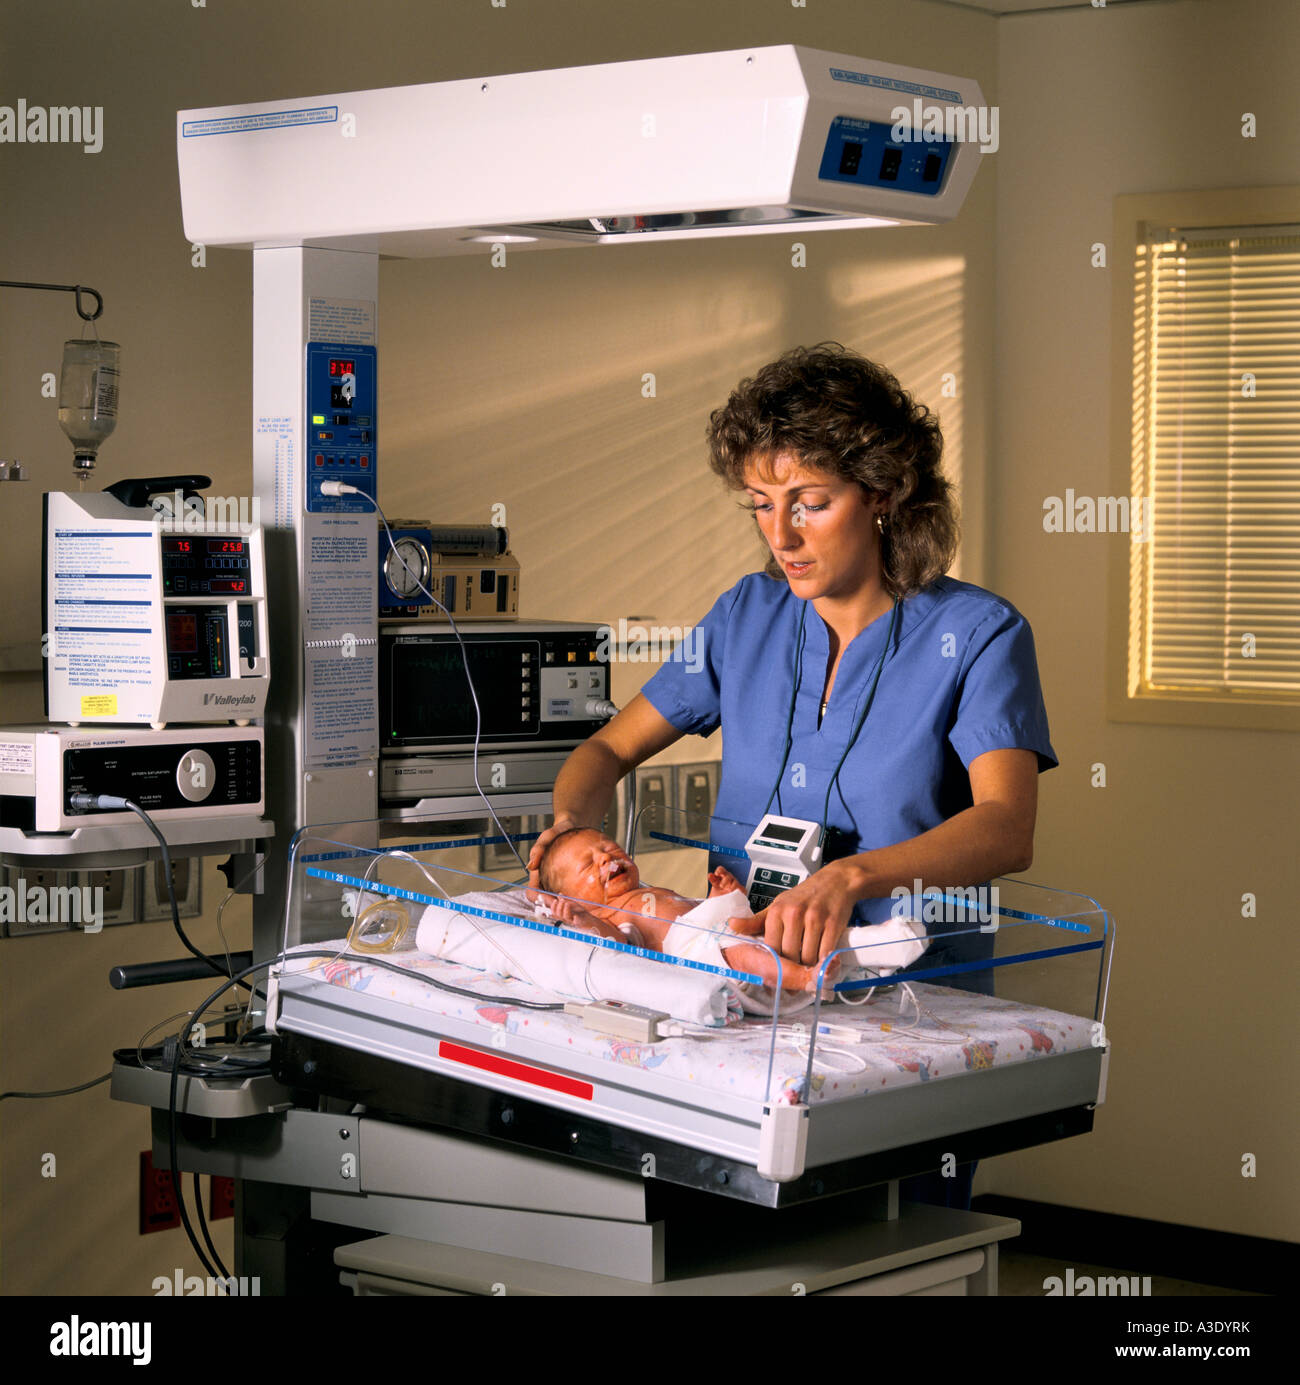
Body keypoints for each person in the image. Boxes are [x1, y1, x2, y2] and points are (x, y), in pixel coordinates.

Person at [528, 342, 1057, 1204]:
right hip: (742, 1026)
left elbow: (1008, 825)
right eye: (762, 506)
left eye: (810, 502)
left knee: (892, 1250)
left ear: (882, 494)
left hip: (903, 1026)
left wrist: (852, 877)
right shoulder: (747, 616)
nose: (782, 535)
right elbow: (605, 752)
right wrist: (574, 837)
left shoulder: (980, 634)